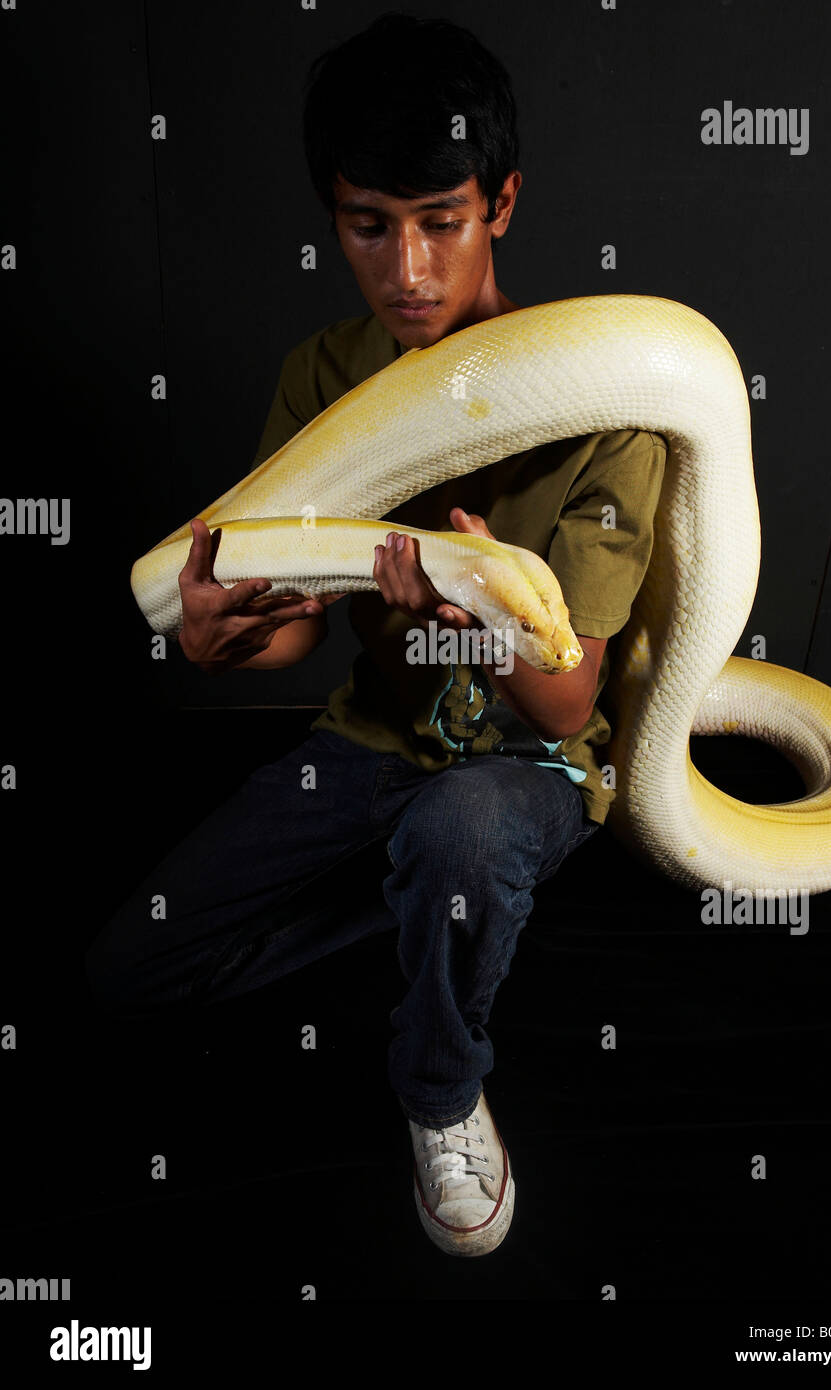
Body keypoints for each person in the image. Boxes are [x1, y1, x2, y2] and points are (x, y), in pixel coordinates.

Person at [85, 12, 666, 1258]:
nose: (407, 269)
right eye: (368, 225)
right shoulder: (322, 381)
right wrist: (211, 644)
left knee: (464, 827)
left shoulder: (611, 401)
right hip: (370, 742)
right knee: (125, 972)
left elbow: (567, 706)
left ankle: (439, 1082)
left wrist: (474, 620)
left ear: (499, 204)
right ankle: (420, 896)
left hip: (531, 763)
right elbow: (287, 636)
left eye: (441, 221)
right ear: (333, 218)